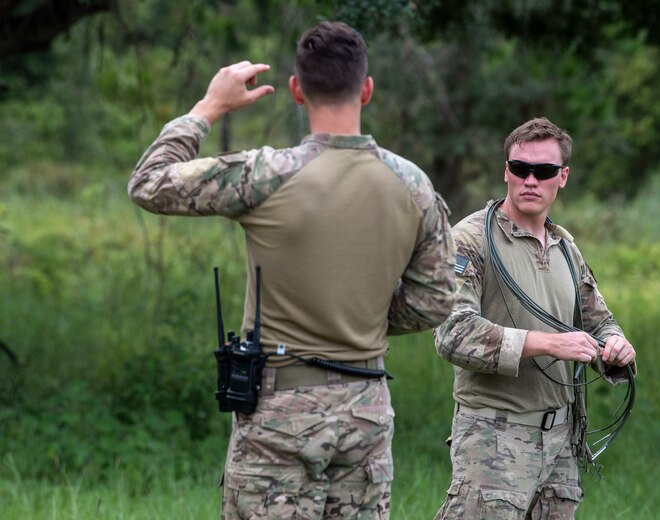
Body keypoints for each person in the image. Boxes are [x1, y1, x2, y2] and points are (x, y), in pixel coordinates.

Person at [128, 21, 456, 520]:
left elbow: (149, 183)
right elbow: (435, 299)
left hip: (280, 413)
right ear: (366, 89)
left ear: (296, 90)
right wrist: (357, 313)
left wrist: (209, 106)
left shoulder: (266, 174)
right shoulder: (412, 184)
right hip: (366, 411)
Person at [432, 117, 636, 519]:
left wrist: (615, 346)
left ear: (562, 177)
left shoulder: (565, 248)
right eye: (518, 168)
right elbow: (451, 333)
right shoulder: (470, 239)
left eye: (542, 172)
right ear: (505, 171)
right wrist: (546, 343)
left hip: (561, 443)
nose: (529, 180)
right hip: (493, 439)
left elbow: (599, 322)